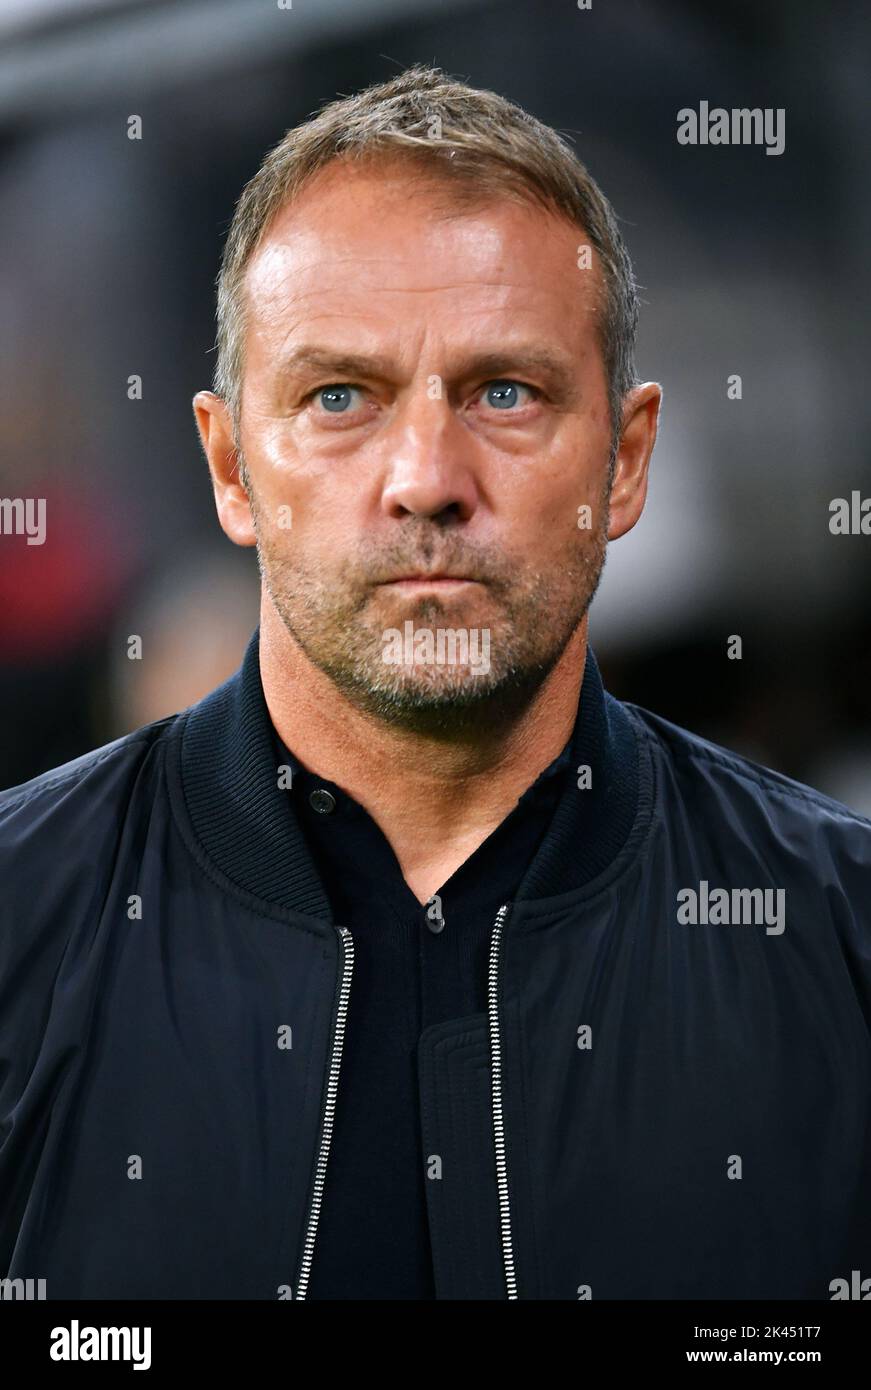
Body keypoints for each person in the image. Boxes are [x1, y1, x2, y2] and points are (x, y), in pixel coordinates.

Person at [1, 64, 869, 1302]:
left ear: (624, 463)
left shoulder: (840, 947)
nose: (424, 475)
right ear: (230, 468)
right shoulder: (22, 931)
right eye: (339, 396)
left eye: (503, 392)